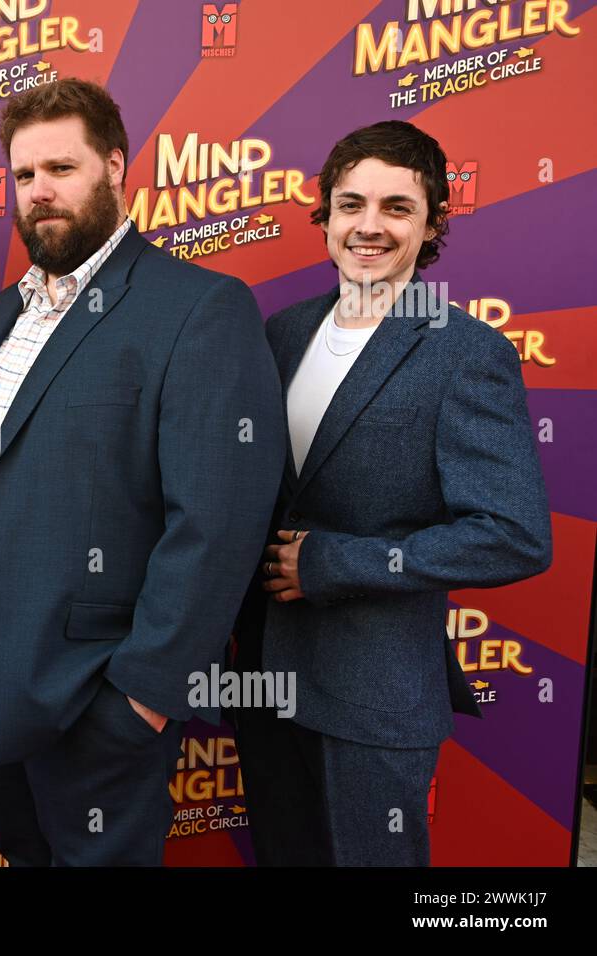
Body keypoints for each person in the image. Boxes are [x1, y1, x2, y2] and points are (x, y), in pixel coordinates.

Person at [0, 78, 284, 866]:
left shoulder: (198, 308)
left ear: (115, 166)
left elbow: (218, 519)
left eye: (61, 169)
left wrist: (143, 695)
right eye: (25, 175)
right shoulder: (3, 311)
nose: (39, 192)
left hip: (95, 694)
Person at [233, 120, 552, 866]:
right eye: (350, 205)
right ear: (325, 215)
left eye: (396, 208)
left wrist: (335, 564)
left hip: (375, 689)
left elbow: (514, 533)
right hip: (264, 679)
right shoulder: (282, 332)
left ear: (434, 220)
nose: (368, 227)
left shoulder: (465, 350)